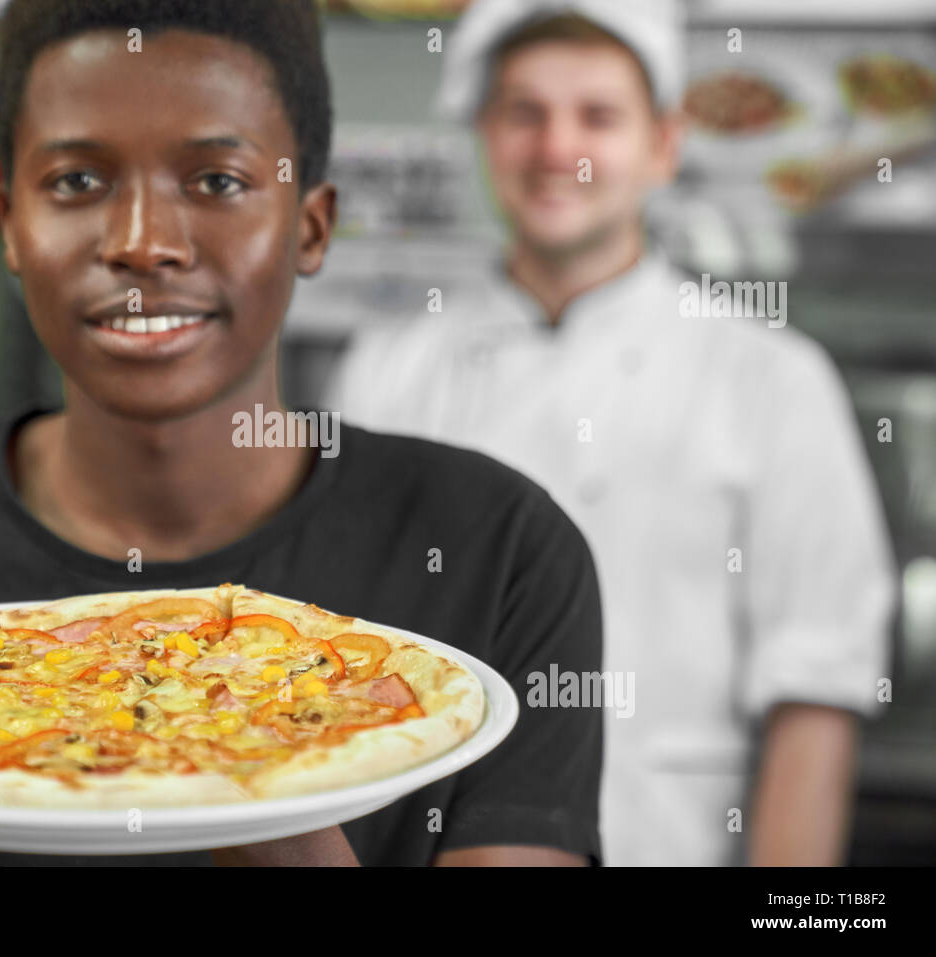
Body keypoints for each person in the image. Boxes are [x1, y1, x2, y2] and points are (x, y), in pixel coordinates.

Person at [0, 0, 604, 867]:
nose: (142, 244)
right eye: (78, 181)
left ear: (312, 225)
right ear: (9, 224)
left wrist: (265, 765)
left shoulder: (500, 549)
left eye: (217, 181)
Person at [323, 0, 896, 866]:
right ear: (484, 135)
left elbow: (814, 693)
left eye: (598, 115)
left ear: (663, 144)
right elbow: (342, 666)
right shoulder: (384, 371)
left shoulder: (773, 379)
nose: (557, 149)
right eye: (524, 113)